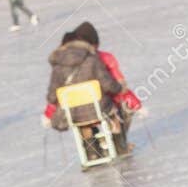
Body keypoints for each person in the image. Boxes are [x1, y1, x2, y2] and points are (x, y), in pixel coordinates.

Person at [44, 24, 128, 158]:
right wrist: (120, 88)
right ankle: (120, 148)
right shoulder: (92, 59)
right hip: (99, 108)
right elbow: (108, 84)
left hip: (73, 112)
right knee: (115, 114)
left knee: (83, 122)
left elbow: (52, 97)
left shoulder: (58, 66)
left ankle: (92, 153)